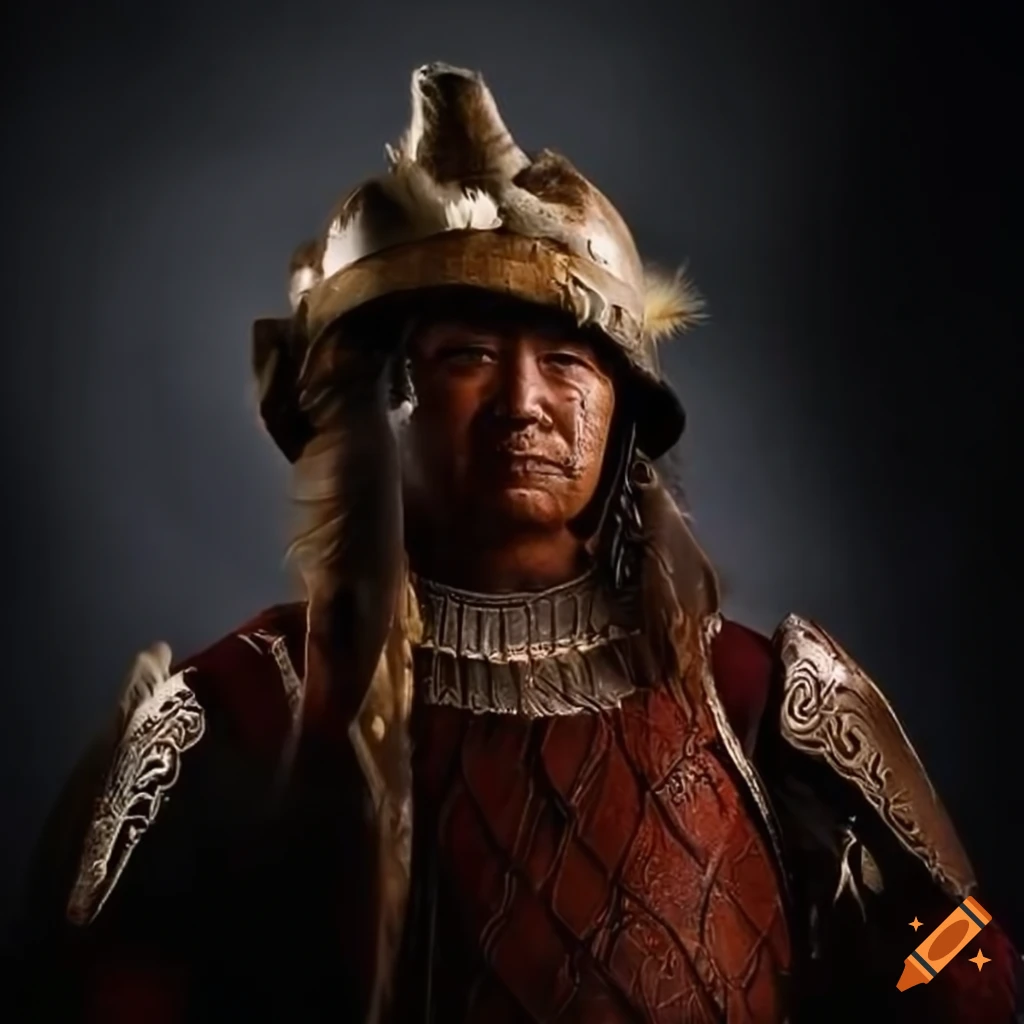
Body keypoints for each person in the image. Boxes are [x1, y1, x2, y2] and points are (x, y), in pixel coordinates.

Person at [12, 63, 1020, 1024]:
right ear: (380, 409)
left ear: (624, 406)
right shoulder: (243, 712)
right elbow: (103, 995)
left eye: (570, 359)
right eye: (468, 357)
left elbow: (965, 949)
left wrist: (938, 983)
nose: (525, 403)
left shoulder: (761, 702)